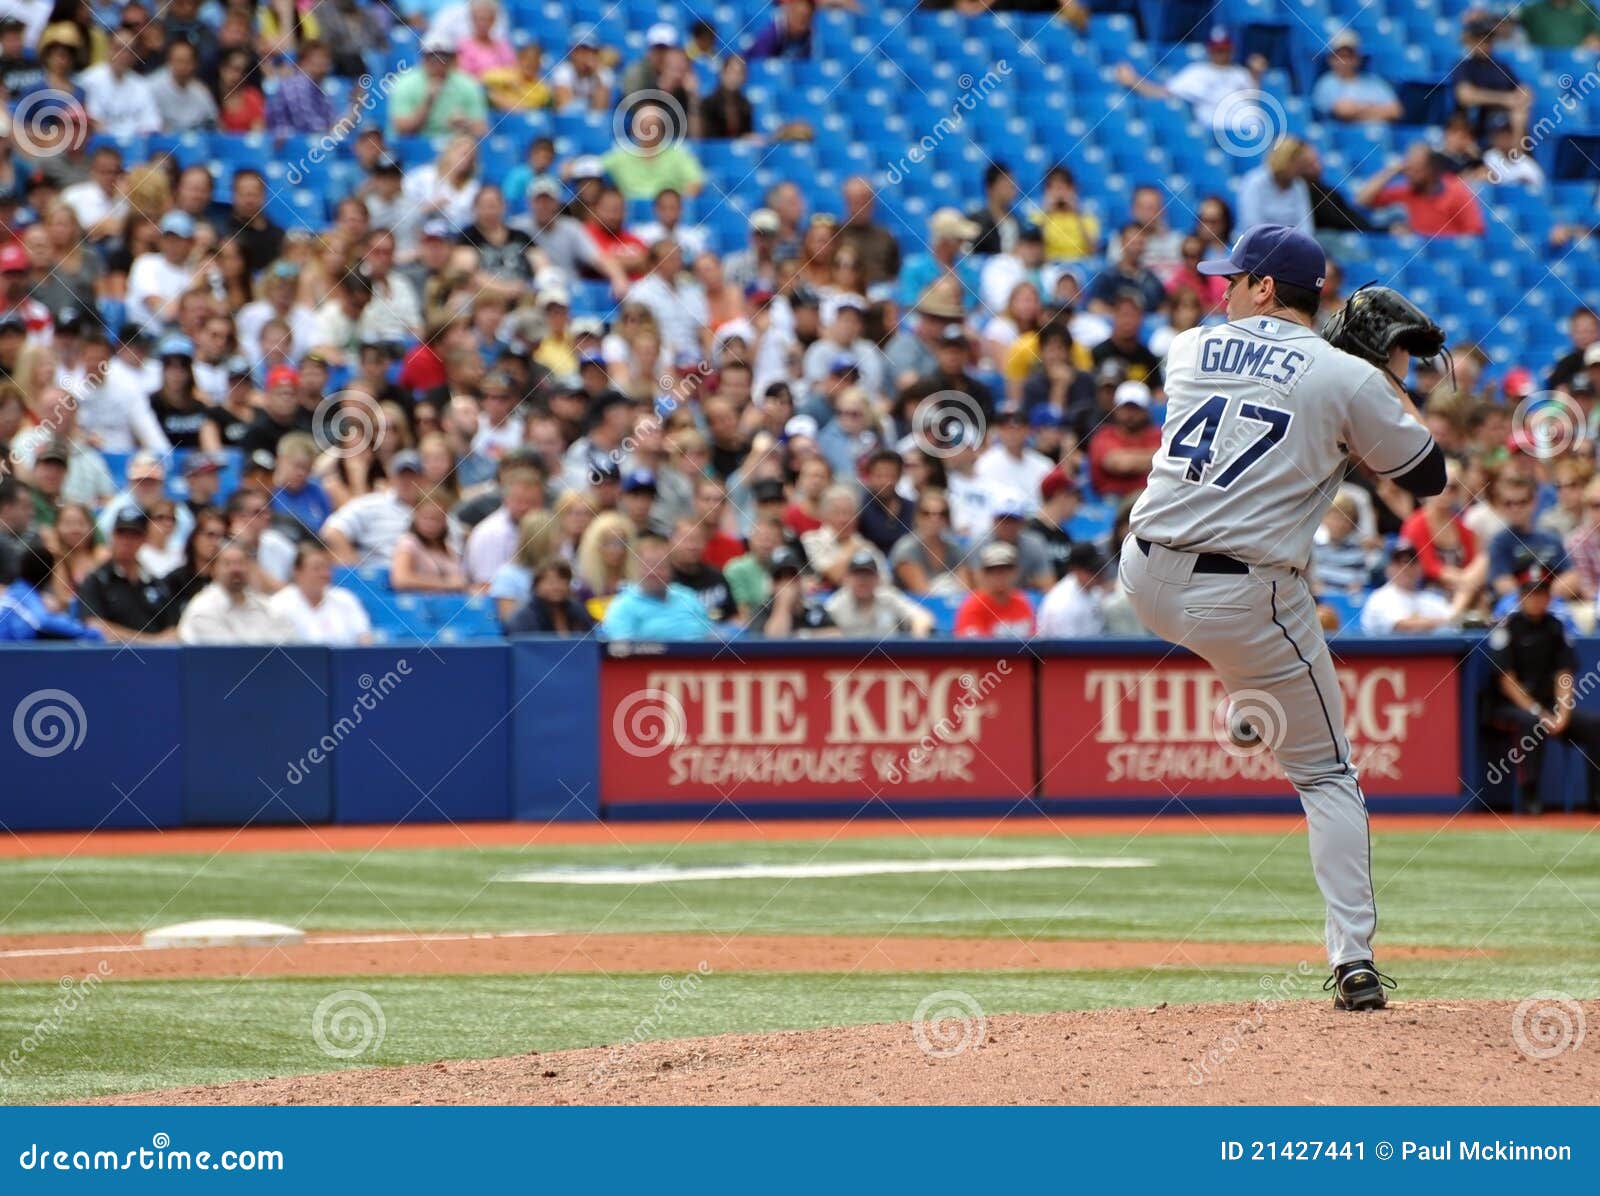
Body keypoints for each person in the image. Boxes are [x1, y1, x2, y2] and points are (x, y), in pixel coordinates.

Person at [1121, 224, 1447, 1010]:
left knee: (1270, 601)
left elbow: (1266, 388)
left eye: (1234, 279)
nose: (1221, 291)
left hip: (1141, 575)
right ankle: (1354, 960)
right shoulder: (1347, 378)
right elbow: (1428, 476)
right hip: (1243, 596)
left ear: (1265, 288)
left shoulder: (1190, 347)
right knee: (1327, 773)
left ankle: (1251, 706)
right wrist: (1380, 377)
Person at [1484, 568, 1600, 813]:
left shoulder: (1555, 627)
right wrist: (1539, 712)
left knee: (1595, 724)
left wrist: (1563, 713)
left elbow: (1564, 674)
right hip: (1509, 708)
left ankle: (1596, 797)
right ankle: (1530, 795)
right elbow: (1507, 681)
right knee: (1531, 723)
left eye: (1542, 594)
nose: (1536, 600)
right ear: (1521, 597)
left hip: (1550, 705)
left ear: (1549, 597)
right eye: (1531, 594)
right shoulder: (1508, 627)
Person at [76, 509, 179, 642]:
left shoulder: (157, 583)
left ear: (144, 539)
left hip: (156, 658)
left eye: (134, 535)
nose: (127, 541)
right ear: (113, 536)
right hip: (111, 657)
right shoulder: (96, 581)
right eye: (121, 533)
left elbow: (173, 630)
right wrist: (151, 642)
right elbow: (94, 627)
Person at [599, 529, 716, 640]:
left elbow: (712, 639)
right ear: (637, 567)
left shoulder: (688, 597)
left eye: (661, 567)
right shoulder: (622, 606)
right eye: (648, 565)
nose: (654, 572)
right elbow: (621, 654)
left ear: (671, 569)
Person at [177, 539, 297, 645]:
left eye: (241, 563)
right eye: (227, 563)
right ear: (213, 569)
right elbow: (230, 657)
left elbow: (290, 644)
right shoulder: (202, 608)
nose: (235, 569)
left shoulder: (267, 608)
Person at [0, 534, 103, 642]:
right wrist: (90, 633)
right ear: (49, 573)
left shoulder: (23, 592)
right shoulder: (21, 594)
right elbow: (42, 622)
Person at [267, 542, 373, 645]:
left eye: (327, 568)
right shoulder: (279, 604)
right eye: (316, 568)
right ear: (297, 571)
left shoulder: (346, 599)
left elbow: (365, 639)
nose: (324, 574)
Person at [824, 551, 934, 638]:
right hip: (849, 662)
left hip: (889, 660)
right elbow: (821, 632)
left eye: (868, 575)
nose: (863, 580)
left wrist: (917, 639)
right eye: (857, 575)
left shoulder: (889, 597)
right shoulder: (836, 604)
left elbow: (922, 617)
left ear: (877, 578)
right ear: (847, 578)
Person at [1358, 540, 1458, 635]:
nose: (1405, 568)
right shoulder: (1379, 598)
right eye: (1398, 562)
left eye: (1411, 562)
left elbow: (1455, 622)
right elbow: (1404, 626)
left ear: (1420, 568)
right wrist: (1441, 622)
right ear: (1388, 568)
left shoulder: (1431, 599)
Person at [1311, 31, 1401, 123]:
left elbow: (1395, 111)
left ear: (1358, 58)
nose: (1344, 61)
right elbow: (1343, 111)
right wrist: (1373, 108)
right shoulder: (1326, 83)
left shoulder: (1374, 82)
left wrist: (1357, 109)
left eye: (1349, 56)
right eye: (1339, 56)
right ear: (1330, 59)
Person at [954, 541, 1036, 638]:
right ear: (983, 573)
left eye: (1006, 569)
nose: (999, 575)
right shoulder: (973, 607)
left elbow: (1033, 642)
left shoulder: (1023, 602)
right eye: (992, 570)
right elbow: (973, 649)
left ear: (1015, 572)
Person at [505, 557, 597, 635]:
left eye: (562, 581)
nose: (556, 587)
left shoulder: (578, 610)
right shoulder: (524, 618)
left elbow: (590, 641)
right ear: (536, 585)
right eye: (550, 582)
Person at [1036, 542, 1108, 638]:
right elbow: (1066, 649)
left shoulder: (1094, 591)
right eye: (1092, 571)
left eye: (1099, 570)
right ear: (1075, 569)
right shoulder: (1062, 604)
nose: (1098, 575)